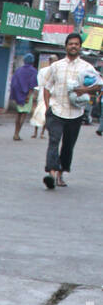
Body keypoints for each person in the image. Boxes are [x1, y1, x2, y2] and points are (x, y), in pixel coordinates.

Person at [42, 32, 103, 188]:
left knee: (68, 145)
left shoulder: (87, 67)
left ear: (80, 47)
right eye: (71, 44)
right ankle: (51, 173)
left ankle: (61, 174)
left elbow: (98, 84)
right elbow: (47, 87)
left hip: (75, 113)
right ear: (66, 46)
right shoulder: (56, 66)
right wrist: (47, 106)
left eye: (76, 44)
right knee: (54, 141)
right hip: (56, 110)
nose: (74, 46)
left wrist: (85, 89)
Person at [10, 52, 37, 140]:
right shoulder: (33, 71)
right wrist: (29, 96)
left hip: (18, 95)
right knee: (24, 114)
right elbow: (32, 85)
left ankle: (15, 132)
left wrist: (15, 95)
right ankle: (17, 134)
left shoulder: (18, 70)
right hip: (27, 95)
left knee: (18, 113)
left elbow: (13, 83)